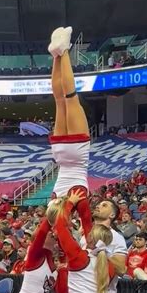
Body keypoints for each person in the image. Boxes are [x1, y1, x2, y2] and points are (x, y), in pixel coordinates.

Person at [47, 26, 92, 233]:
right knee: (58, 100)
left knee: (70, 96)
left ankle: (63, 50)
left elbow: (87, 223)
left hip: (77, 152)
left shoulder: (78, 198)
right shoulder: (54, 200)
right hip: (60, 155)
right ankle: (55, 55)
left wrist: (88, 239)